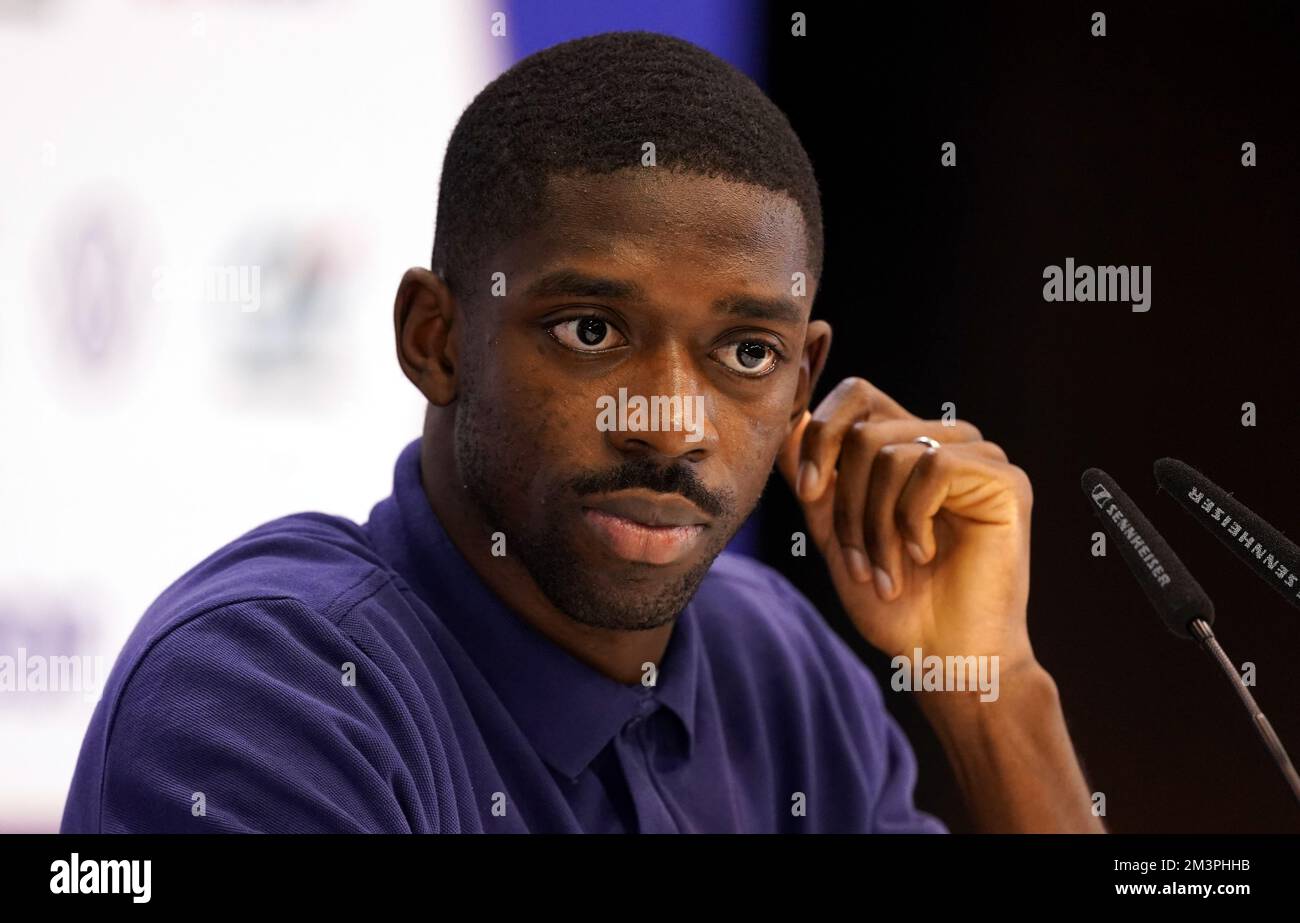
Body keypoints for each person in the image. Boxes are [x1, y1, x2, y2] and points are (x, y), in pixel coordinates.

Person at [62, 31, 1103, 833]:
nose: (668, 425)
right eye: (592, 330)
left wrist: (991, 687)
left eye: (745, 351)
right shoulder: (262, 685)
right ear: (437, 339)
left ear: (802, 382)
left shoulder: (783, 668)